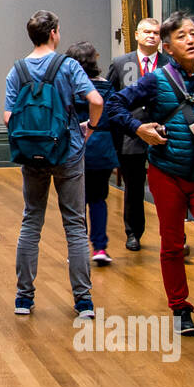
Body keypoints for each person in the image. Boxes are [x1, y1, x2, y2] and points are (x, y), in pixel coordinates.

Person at [106, 10, 194, 340]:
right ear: (168, 47)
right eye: (182, 36)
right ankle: (180, 308)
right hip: (166, 172)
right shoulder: (156, 81)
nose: (192, 40)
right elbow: (114, 105)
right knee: (172, 244)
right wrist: (138, 128)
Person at [4, 10, 104, 318]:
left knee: (31, 220)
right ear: (54, 33)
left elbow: (8, 118)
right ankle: (83, 300)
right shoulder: (68, 65)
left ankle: (24, 297)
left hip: (32, 155)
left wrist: (31, 139)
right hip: (69, 152)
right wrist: (91, 127)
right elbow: (96, 100)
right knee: (74, 224)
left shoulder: (16, 70)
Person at [106, 17, 170, 252]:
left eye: (156, 32)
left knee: (166, 188)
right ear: (136, 35)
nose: (151, 36)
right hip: (131, 135)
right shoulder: (121, 63)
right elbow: (111, 100)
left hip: (162, 134)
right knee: (133, 187)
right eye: (146, 32)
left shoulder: (169, 63)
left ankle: (173, 235)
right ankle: (133, 233)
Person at [66, 42, 119, 266]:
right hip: (102, 149)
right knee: (98, 199)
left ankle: (77, 251)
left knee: (76, 203)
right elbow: (115, 117)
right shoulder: (106, 87)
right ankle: (99, 247)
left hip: (76, 147)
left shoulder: (69, 87)